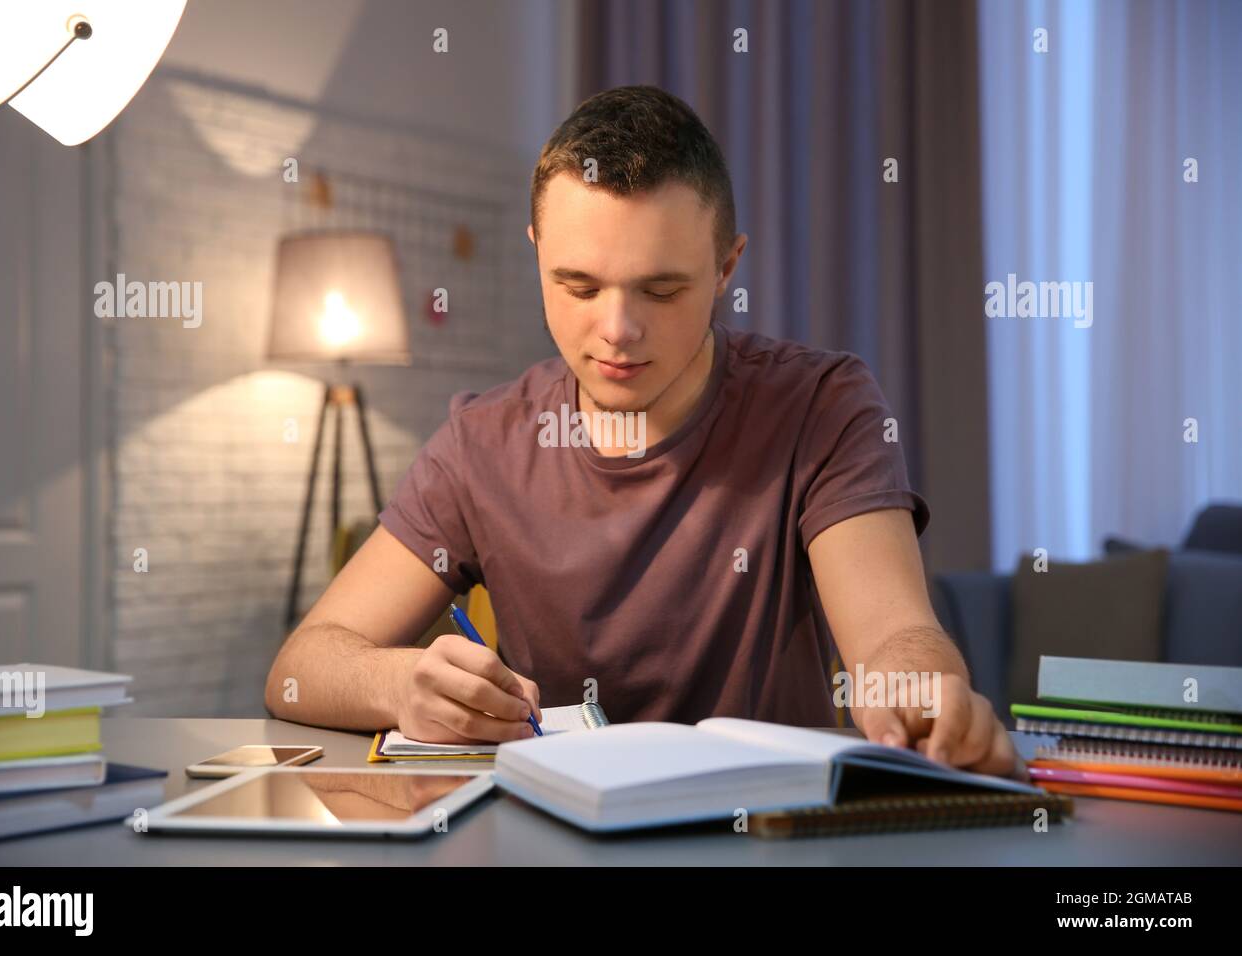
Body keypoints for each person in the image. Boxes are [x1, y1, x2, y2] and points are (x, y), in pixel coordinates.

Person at [265, 85, 1026, 780]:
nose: (617, 331)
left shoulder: (820, 405)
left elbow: (893, 633)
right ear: (536, 252)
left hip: (765, 837)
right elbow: (302, 664)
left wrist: (922, 692)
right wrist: (404, 683)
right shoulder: (480, 443)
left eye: (661, 290)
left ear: (729, 266)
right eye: (577, 286)